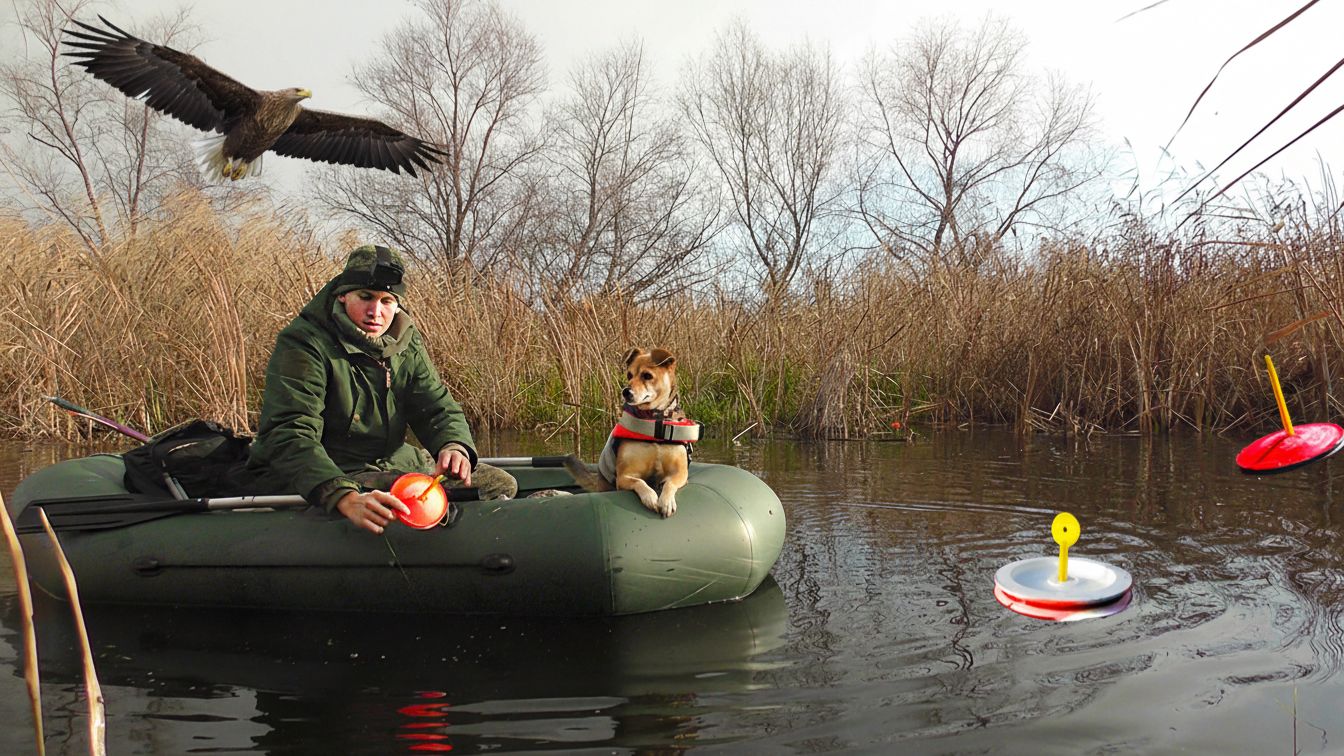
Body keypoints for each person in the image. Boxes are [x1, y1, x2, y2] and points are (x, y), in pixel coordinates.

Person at [244, 244, 516, 533]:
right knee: (400, 494)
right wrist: (342, 495)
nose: (376, 312)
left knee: (500, 484)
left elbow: (435, 406)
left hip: (393, 460)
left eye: (387, 301)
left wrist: (453, 445)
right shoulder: (305, 343)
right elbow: (289, 431)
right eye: (366, 297)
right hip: (334, 467)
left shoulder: (406, 340)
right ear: (342, 295)